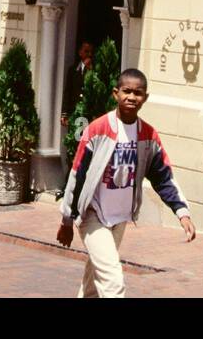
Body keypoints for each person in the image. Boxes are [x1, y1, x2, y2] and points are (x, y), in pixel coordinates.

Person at [57, 68, 195, 297]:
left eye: (138, 93)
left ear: (146, 97)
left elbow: (163, 176)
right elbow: (77, 175)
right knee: (113, 283)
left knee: (93, 282)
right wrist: (67, 219)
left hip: (119, 219)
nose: (131, 97)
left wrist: (182, 212)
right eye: (126, 91)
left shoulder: (148, 135)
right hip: (93, 215)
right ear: (115, 93)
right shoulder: (98, 129)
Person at [58, 40, 93, 182]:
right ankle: (70, 181)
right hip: (76, 117)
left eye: (90, 52)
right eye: (86, 51)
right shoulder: (74, 70)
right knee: (74, 147)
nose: (88, 55)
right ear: (80, 52)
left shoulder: (93, 71)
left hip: (87, 117)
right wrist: (64, 113)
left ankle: (79, 180)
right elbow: (67, 92)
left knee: (84, 148)